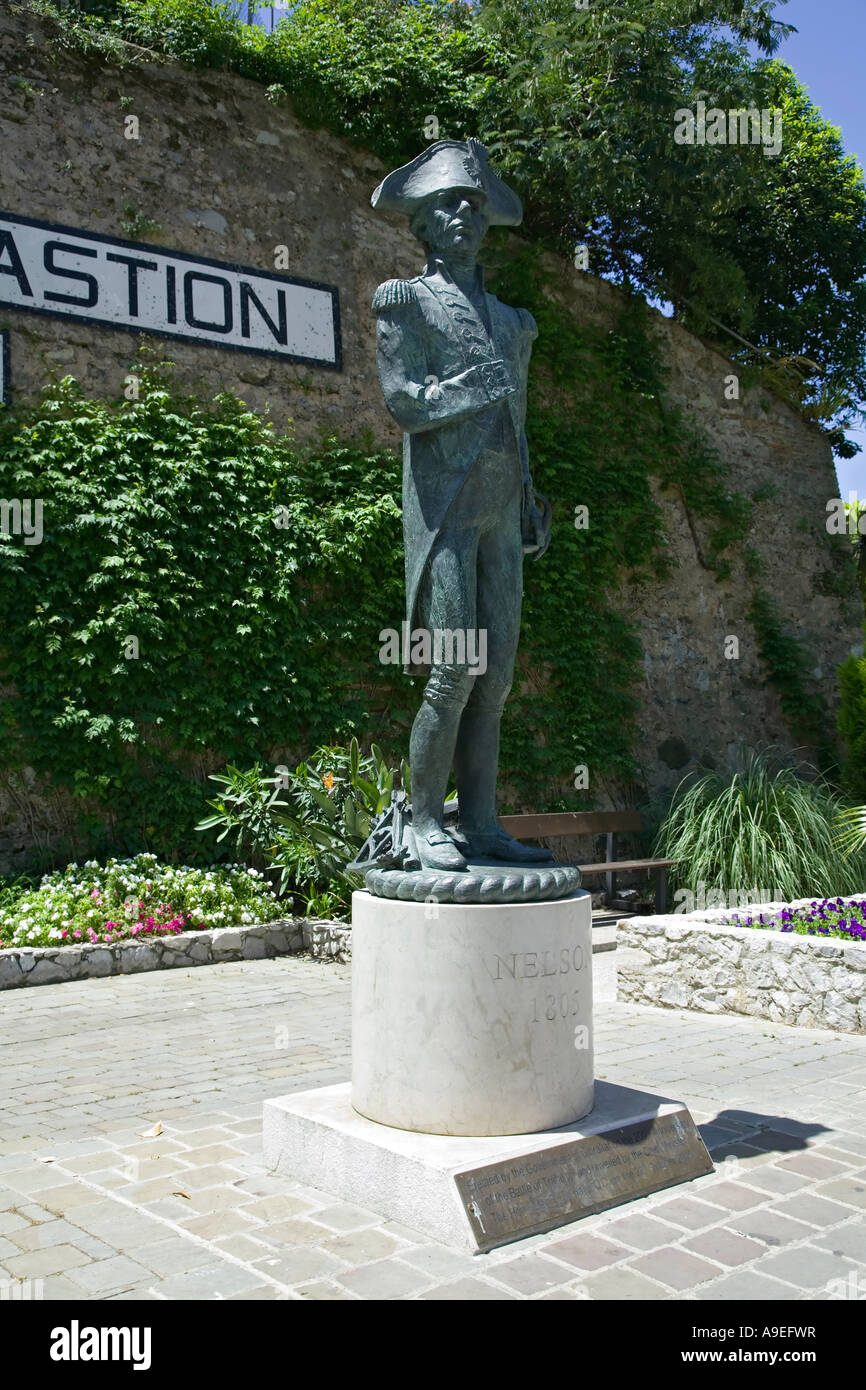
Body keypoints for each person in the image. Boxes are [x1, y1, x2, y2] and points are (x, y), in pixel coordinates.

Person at [371, 138, 553, 872]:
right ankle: (421, 824)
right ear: (421, 223)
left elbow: (521, 419)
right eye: (449, 205)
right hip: (446, 511)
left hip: (503, 514)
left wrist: (532, 498)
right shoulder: (405, 300)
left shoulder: (515, 323)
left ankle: (479, 823)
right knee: (452, 671)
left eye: (475, 207)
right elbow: (404, 402)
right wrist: (468, 390)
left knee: (498, 681)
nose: (464, 216)